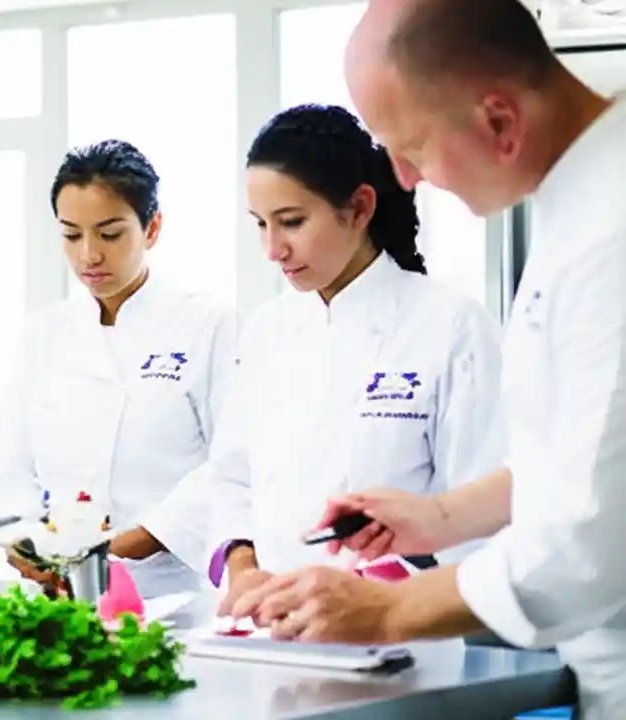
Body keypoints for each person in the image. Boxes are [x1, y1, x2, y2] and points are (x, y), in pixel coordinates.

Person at [230, 2, 626, 716]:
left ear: (499, 121)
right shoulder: (577, 210)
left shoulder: (611, 235)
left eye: (411, 147)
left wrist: (387, 609)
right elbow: (579, 459)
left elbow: (585, 542)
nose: (406, 180)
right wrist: (440, 515)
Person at [121, 103, 503, 619]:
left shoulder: (449, 325)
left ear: (360, 208)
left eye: (292, 222)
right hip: (273, 627)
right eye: (261, 225)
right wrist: (244, 569)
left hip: (401, 633)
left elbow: (480, 515)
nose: (272, 249)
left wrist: (382, 598)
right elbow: (232, 478)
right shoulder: (268, 330)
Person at [0, 139, 238, 604]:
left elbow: (231, 461)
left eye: (109, 234)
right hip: (57, 593)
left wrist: (138, 539)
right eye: (71, 235)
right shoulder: (43, 334)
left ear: (152, 228)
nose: (89, 255)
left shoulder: (207, 324)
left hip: (170, 591)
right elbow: (10, 466)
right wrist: (26, 542)